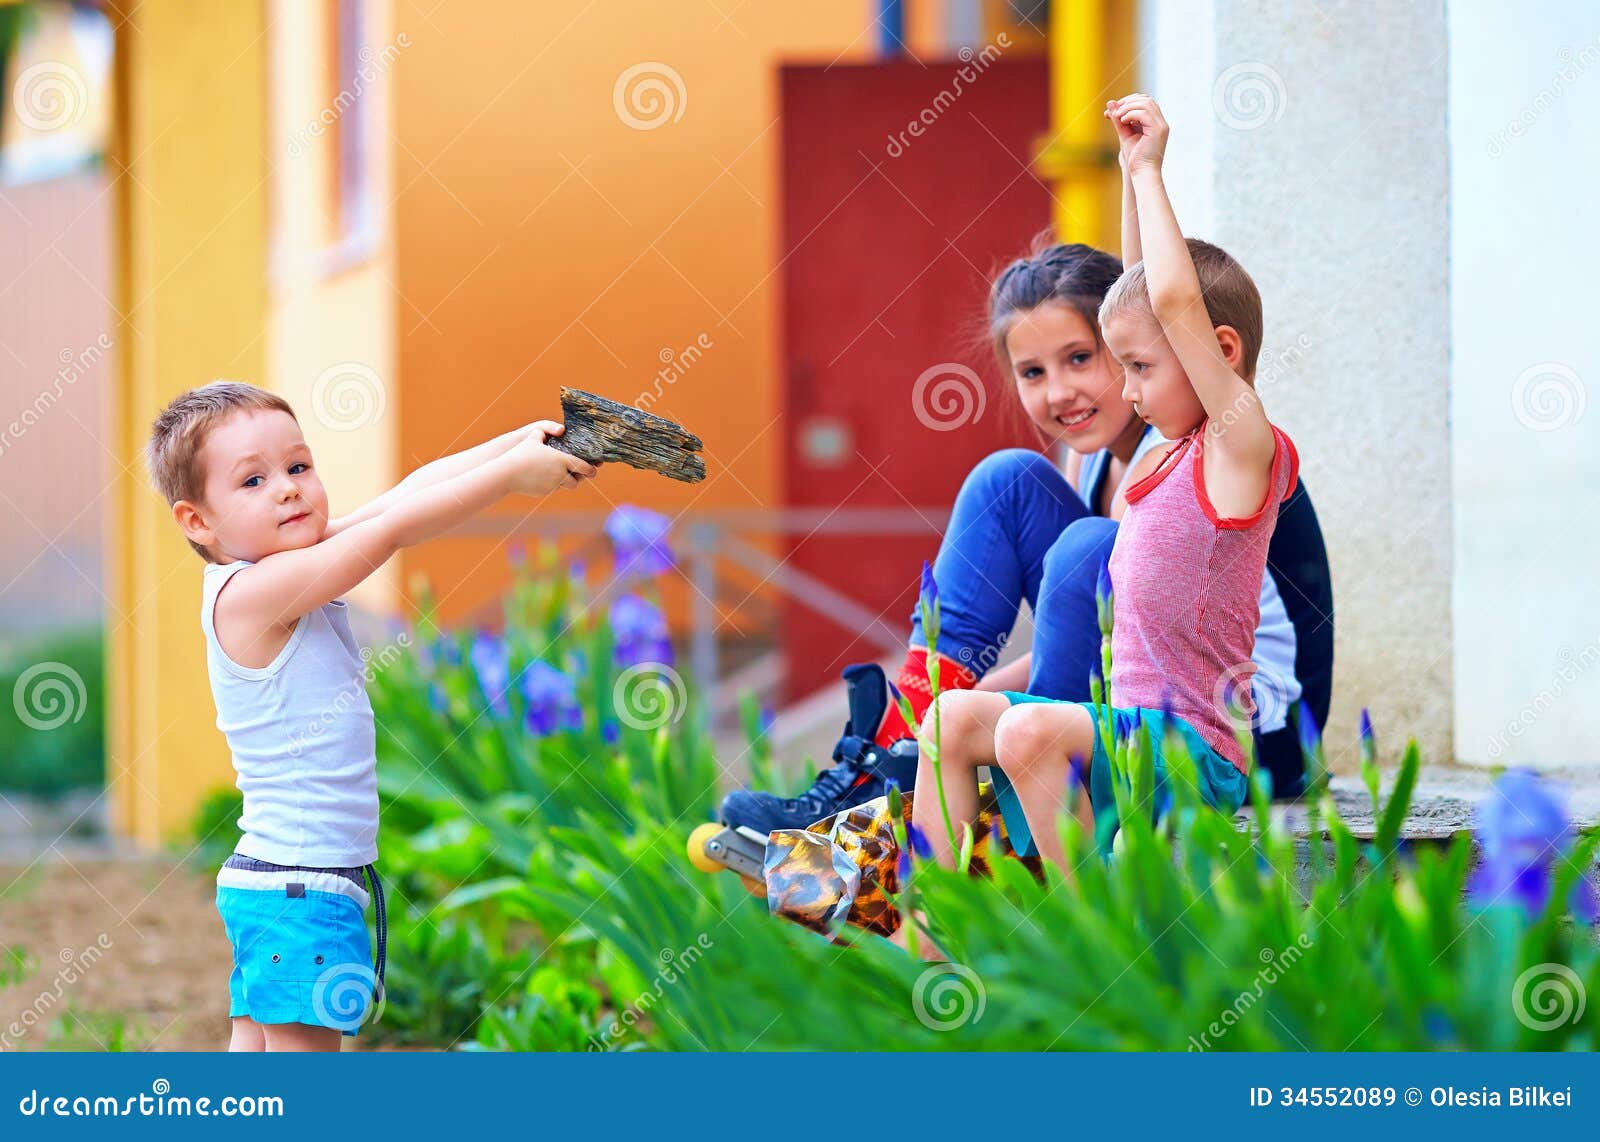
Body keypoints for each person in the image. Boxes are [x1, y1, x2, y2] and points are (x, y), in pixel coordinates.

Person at [720, 129, 1331, 845]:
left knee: (1079, 542)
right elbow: (1112, 637)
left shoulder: (1212, 444)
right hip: (1128, 708)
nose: (1065, 391)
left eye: (1086, 359)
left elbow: (1162, 301)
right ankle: (894, 757)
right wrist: (956, 718)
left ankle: (994, 776)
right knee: (1012, 484)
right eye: (1034, 373)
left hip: (1249, 740)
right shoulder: (1100, 462)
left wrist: (1143, 171)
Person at [145, 381, 597, 1050]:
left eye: (298, 466)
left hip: (280, 882)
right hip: (301, 887)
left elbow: (407, 493)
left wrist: (520, 442)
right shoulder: (254, 593)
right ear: (198, 522)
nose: (289, 488)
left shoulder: (292, 566)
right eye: (253, 480)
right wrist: (510, 478)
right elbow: (392, 529)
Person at [913, 92, 1297, 870]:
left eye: (1141, 370)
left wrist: (1151, 166)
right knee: (948, 721)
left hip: (1196, 752)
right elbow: (1138, 303)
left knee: (1026, 729)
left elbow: (1172, 302)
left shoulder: (1235, 450)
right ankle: (931, 953)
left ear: (1217, 354)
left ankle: (1082, 954)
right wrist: (1125, 174)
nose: (1125, 390)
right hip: (1122, 729)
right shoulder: (1165, 449)